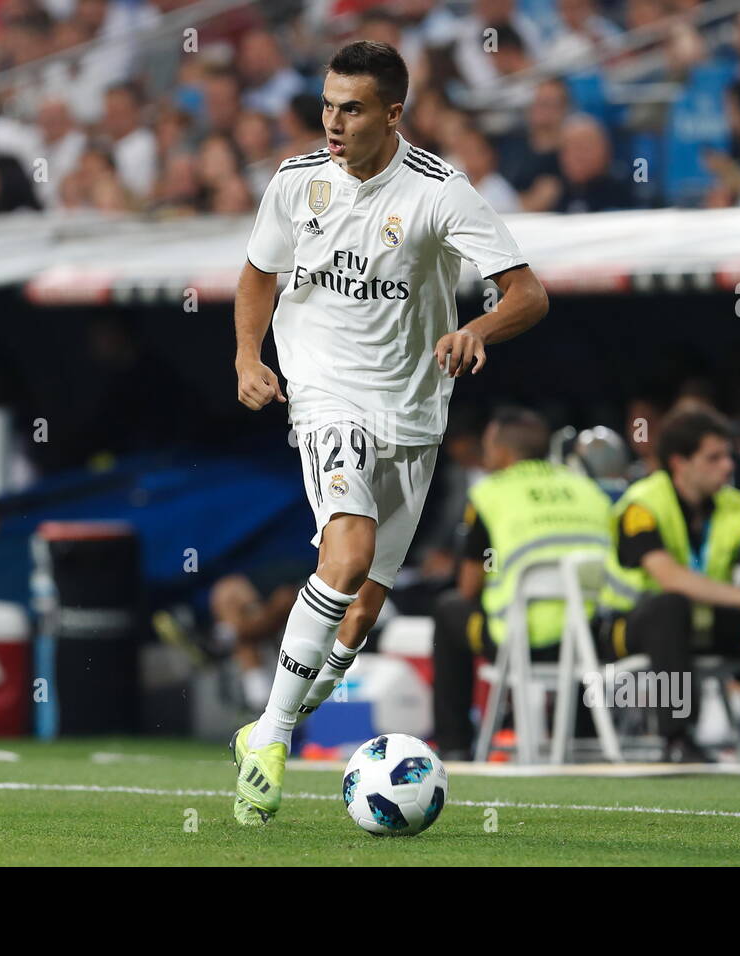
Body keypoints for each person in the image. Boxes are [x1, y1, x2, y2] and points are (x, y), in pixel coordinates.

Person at [230, 40, 548, 826]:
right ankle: (270, 739)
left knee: (364, 607)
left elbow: (528, 294)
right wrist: (246, 355)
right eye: (328, 106)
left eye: (352, 108)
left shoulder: (441, 193)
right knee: (349, 553)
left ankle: (281, 714)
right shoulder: (296, 183)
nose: (332, 123)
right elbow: (258, 273)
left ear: (393, 113)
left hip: (413, 414)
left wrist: (479, 328)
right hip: (327, 399)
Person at [599, 408, 740, 763]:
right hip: (625, 625)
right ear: (680, 463)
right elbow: (669, 577)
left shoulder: (733, 503)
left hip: (699, 622)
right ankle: (677, 740)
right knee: (671, 606)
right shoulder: (642, 504)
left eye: (728, 455)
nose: (728, 465)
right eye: (714, 458)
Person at [431, 406, 611, 760]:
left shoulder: (489, 495)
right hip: (592, 639)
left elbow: (469, 587)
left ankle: (454, 747)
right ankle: (583, 736)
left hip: (519, 642)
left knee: (450, 608)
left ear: (501, 450)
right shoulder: (588, 490)